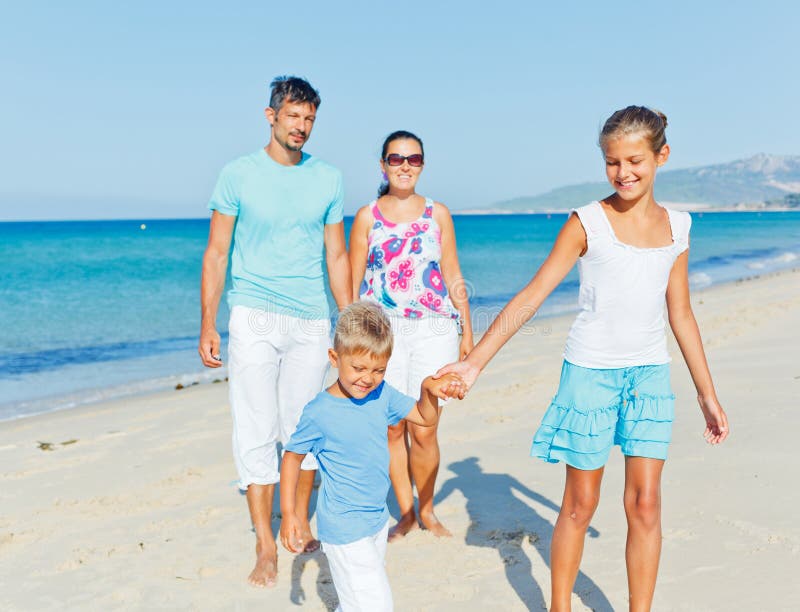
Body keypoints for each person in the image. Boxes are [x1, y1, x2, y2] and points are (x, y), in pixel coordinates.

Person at [437, 106, 729, 611]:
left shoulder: (678, 227)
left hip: (649, 377)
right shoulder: (586, 222)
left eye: (635, 160)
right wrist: (475, 362)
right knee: (580, 504)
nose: (624, 173)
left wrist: (707, 392)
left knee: (646, 504)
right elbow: (533, 295)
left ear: (662, 156)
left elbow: (680, 313)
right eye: (612, 162)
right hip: (590, 375)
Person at [198, 76, 352, 588]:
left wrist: (347, 321)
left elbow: (336, 254)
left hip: (310, 317)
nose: (301, 127)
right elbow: (218, 252)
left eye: (309, 118)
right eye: (293, 116)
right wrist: (208, 322)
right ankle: (265, 541)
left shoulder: (328, 178)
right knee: (255, 427)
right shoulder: (237, 174)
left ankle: (299, 519)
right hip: (253, 315)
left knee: (303, 426)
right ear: (271, 117)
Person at [279, 301, 464, 611]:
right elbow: (292, 457)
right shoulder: (319, 412)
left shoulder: (383, 393)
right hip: (343, 528)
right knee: (376, 605)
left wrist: (428, 391)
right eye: (359, 368)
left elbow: (424, 417)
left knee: (358, 601)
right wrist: (290, 514)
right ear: (335, 359)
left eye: (378, 369)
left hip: (376, 521)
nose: (368, 378)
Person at [348, 130, 473, 540]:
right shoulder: (367, 217)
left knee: (425, 427)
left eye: (413, 159)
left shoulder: (438, 214)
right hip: (382, 333)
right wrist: (350, 341)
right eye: (396, 158)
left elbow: (452, 273)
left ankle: (429, 508)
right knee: (392, 426)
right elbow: (354, 286)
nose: (405, 165)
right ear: (383, 165)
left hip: (435, 327)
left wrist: (467, 327)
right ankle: (405, 512)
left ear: (422, 164)